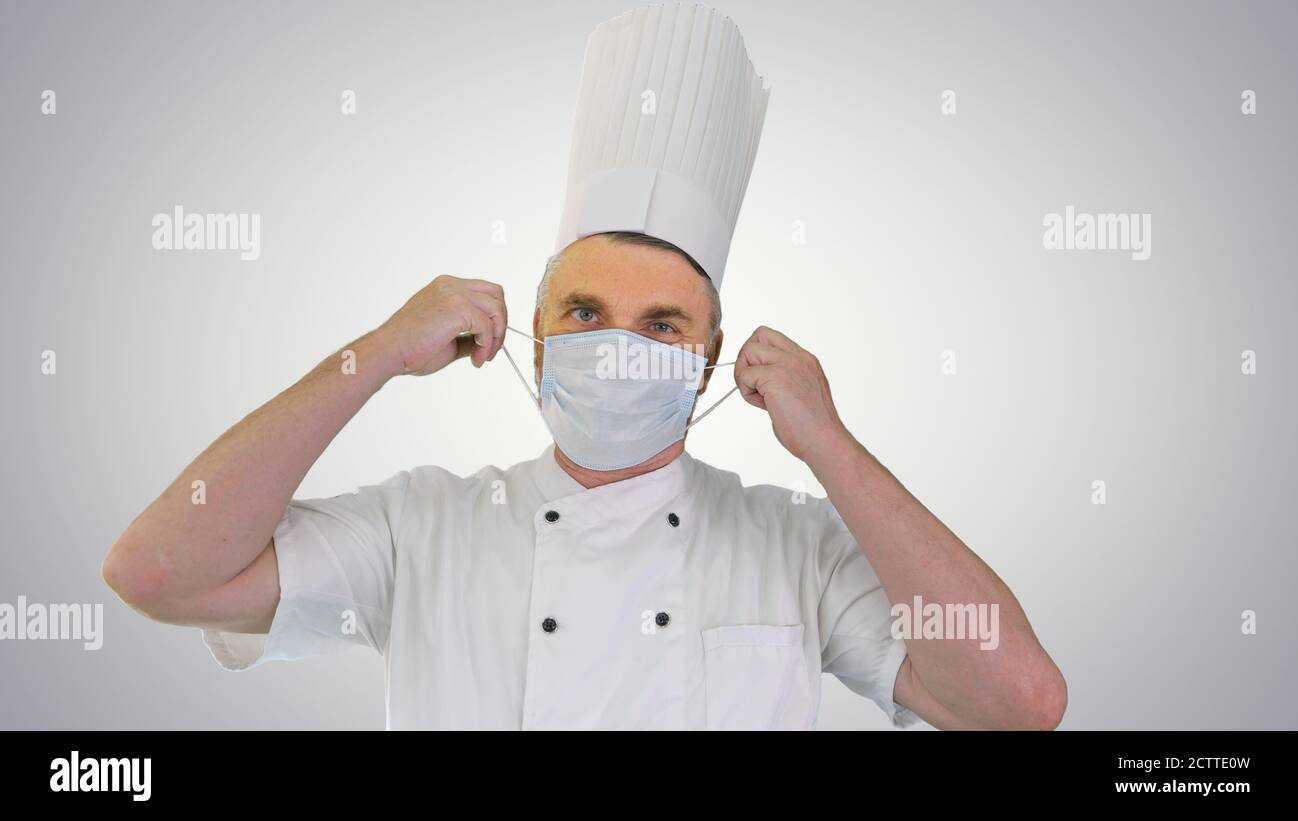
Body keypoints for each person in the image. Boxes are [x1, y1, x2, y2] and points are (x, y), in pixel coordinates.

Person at [102, 3, 1066, 730]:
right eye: (587, 311)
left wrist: (833, 449)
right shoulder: (421, 528)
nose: (618, 344)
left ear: (710, 361)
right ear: (535, 328)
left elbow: (1021, 698)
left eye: (661, 324)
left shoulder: (795, 547)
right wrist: (375, 356)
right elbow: (157, 571)